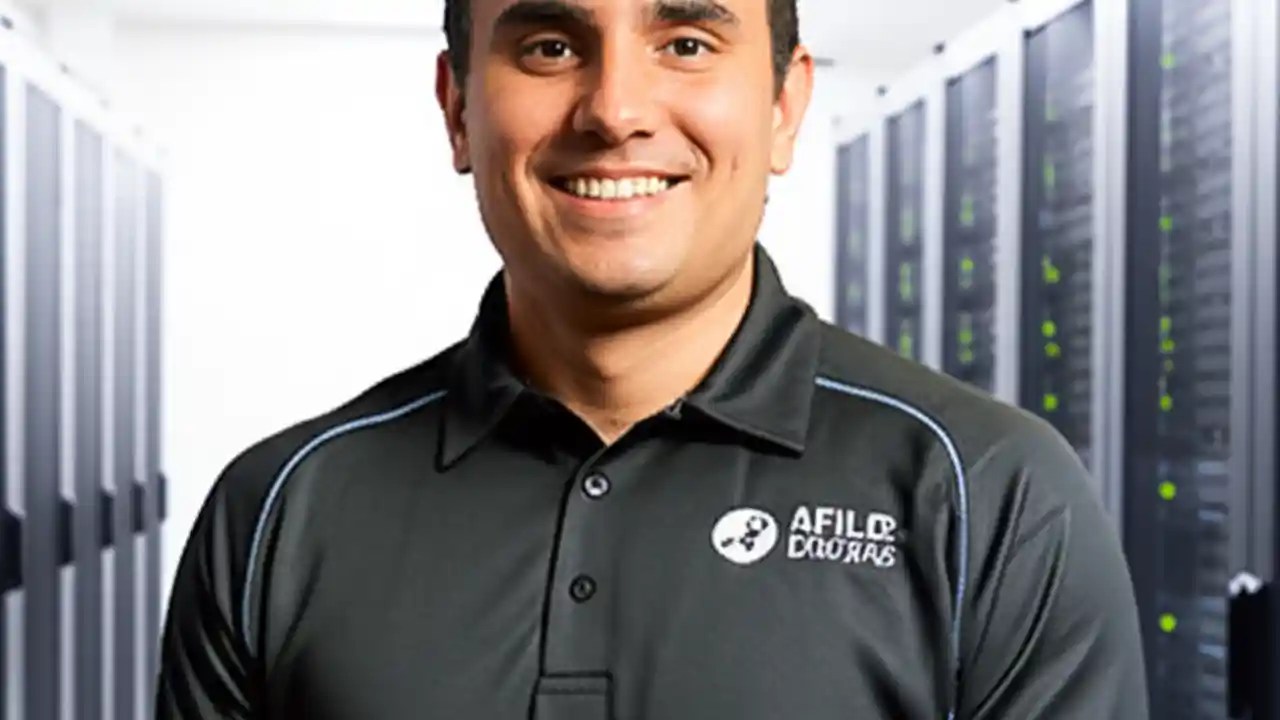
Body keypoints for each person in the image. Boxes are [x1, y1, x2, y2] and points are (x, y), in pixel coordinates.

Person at [155, 0, 1150, 717]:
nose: (613, 109)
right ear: (457, 106)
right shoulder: (281, 509)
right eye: (549, 45)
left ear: (781, 106)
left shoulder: (985, 496)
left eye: (684, 40)